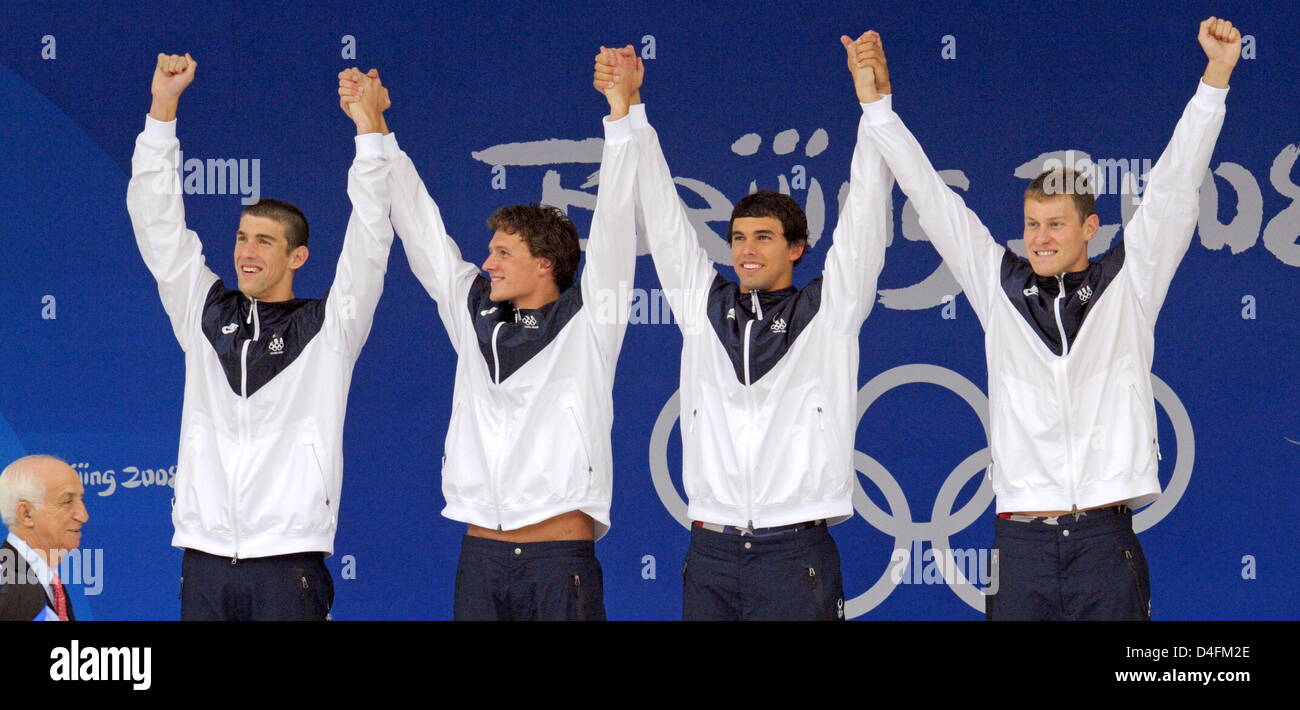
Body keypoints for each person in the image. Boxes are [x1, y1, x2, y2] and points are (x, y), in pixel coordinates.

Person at [851, 19, 1241, 620]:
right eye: (1032, 224)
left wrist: (1215, 79)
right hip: (1020, 542)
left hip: (1104, 542)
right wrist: (877, 108)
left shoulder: (1129, 281)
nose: (1040, 237)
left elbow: (1174, 185)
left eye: (1056, 224)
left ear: (1090, 227)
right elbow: (931, 198)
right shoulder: (997, 283)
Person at [594, 34, 892, 620]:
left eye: (763, 237)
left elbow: (864, 226)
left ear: (798, 248)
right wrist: (627, 112)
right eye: (736, 238)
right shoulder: (704, 308)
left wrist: (873, 106)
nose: (746, 250)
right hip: (711, 548)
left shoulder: (827, 312)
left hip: (795, 551)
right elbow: (661, 211)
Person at [339, 48, 638, 620]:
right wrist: (374, 130)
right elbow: (421, 228)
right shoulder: (471, 308)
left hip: (558, 556)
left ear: (545, 264)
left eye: (503, 252)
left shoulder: (590, 318)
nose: (489, 262)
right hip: (479, 554)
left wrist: (620, 114)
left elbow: (618, 219)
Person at [126, 54, 397, 620]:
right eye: (243, 237)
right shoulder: (203, 309)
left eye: (265, 242)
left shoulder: (329, 326)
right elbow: (157, 224)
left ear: (297, 255)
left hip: (287, 561)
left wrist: (368, 134)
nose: (247, 252)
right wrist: (162, 110)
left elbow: (371, 238)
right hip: (202, 556)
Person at [0, 455, 88, 621]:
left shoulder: (47, 583)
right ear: (26, 514)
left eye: (81, 499)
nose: (83, 516)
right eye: (67, 501)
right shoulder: (7, 588)